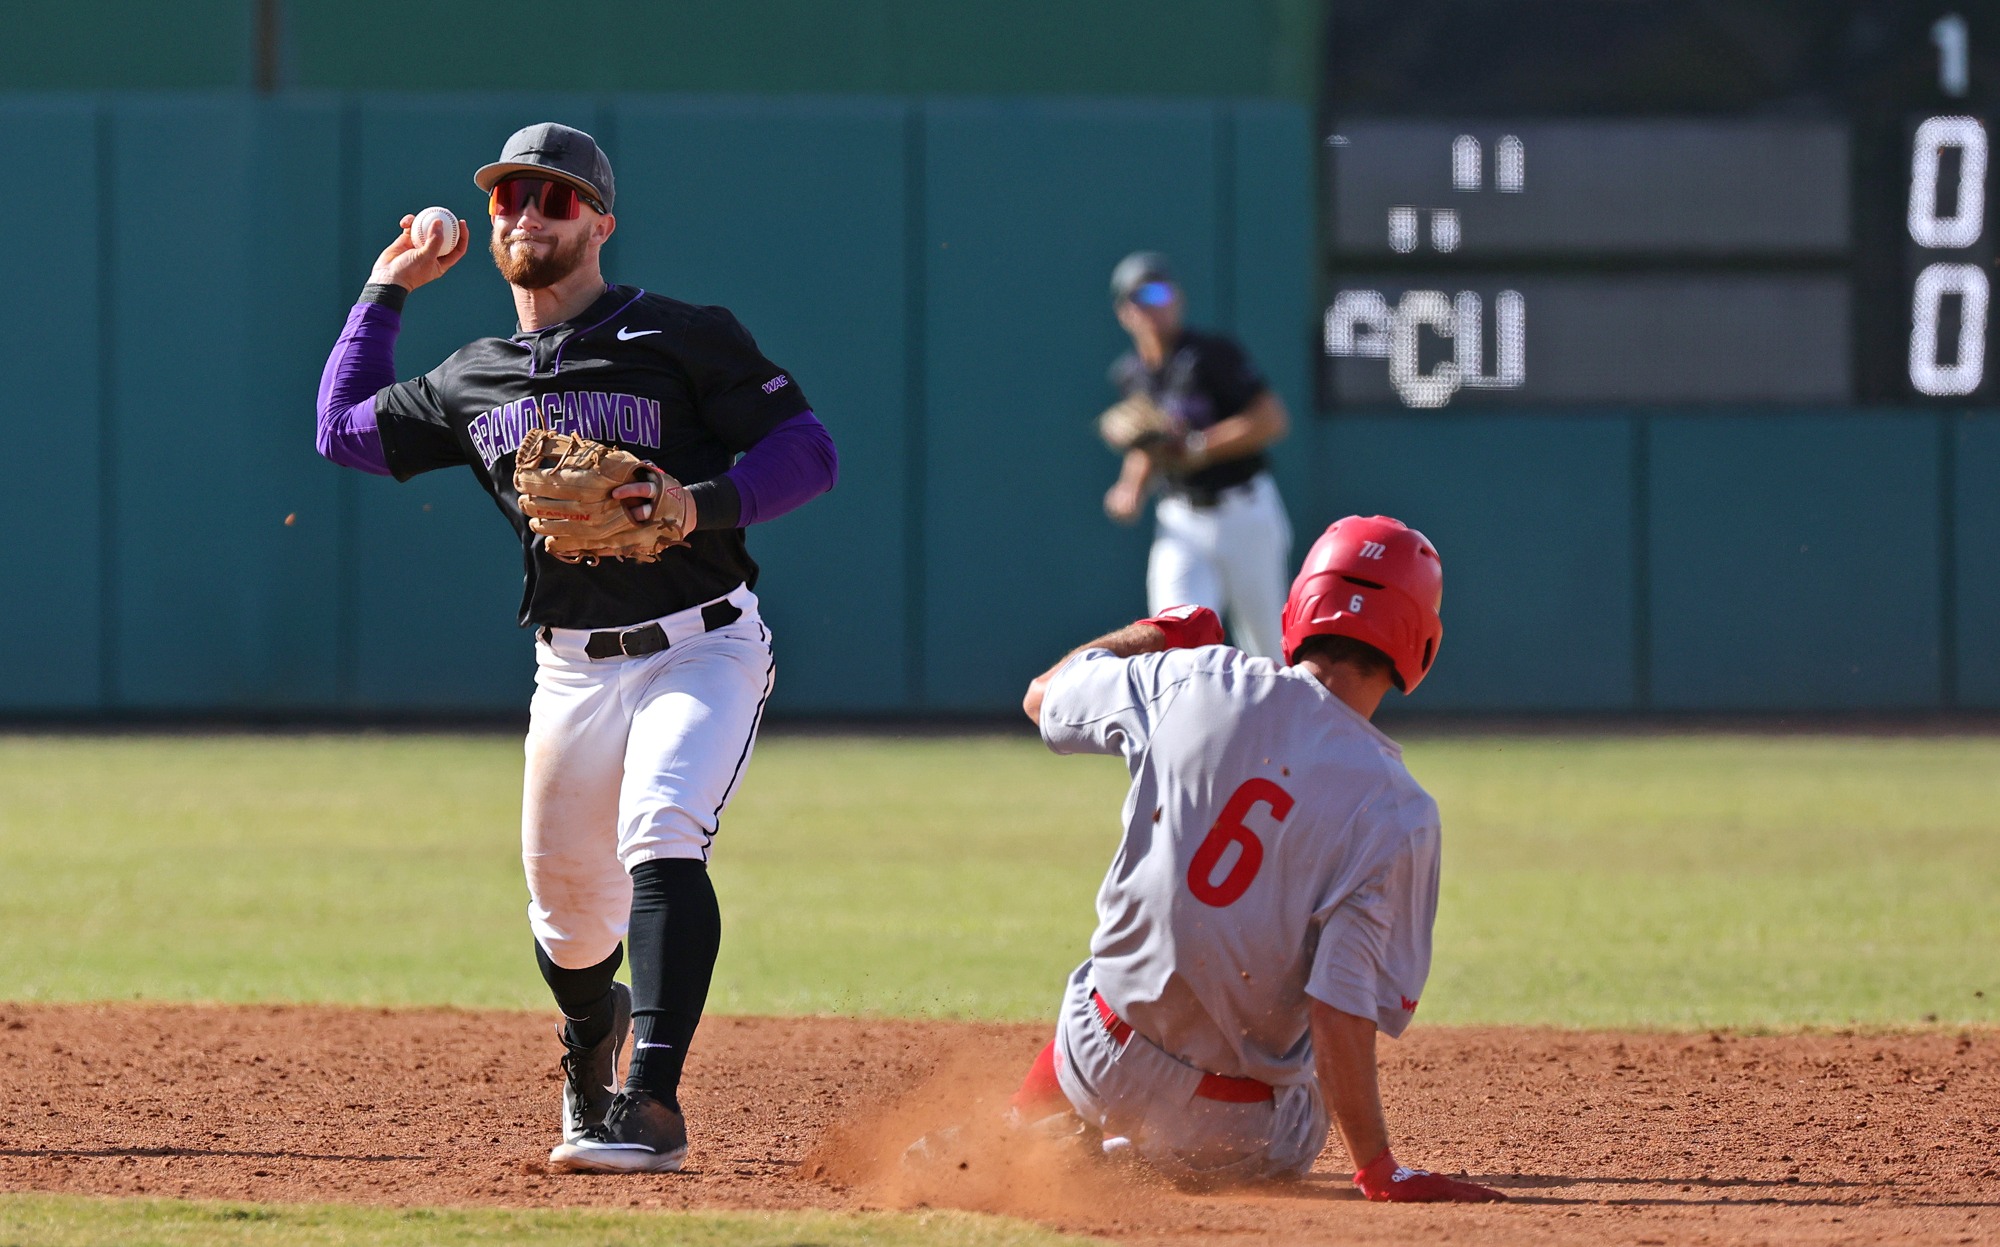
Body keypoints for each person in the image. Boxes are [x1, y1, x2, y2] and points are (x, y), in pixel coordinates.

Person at [313, 122, 837, 1173]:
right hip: (570, 666)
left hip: (703, 642)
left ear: (600, 221)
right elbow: (342, 430)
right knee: (565, 915)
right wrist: (386, 286)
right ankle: (589, 1038)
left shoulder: (680, 335)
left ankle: (651, 1102)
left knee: (661, 829)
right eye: (510, 197)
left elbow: (807, 449)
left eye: (553, 199)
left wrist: (700, 502)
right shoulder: (474, 376)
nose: (525, 215)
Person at [1010, 515, 1504, 1200]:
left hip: (1095, 1053)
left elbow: (1043, 695)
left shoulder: (1190, 675)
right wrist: (1377, 1167)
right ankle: (1129, 1153)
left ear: (1300, 607)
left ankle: (1024, 1126)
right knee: (1302, 1093)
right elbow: (1339, 1010)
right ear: (1420, 642)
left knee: (1103, 975)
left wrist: (1159, 633)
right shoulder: (1399, 809)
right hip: (1227, 1127)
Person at [1100, 251, 1293, 659]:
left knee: (1268, 652)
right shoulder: (1130, 374)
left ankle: (1277, 724)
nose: (1153, 304)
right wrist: (1129, 488)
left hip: (1244, 511)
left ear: (1178, 299)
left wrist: (1199, 446)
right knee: (1172, 644)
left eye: (1160, 291)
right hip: (1181, 520)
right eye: (1141, 295)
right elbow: (1150, 446)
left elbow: (1271, 420)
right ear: (1123, 312)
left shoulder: (1211, 354)